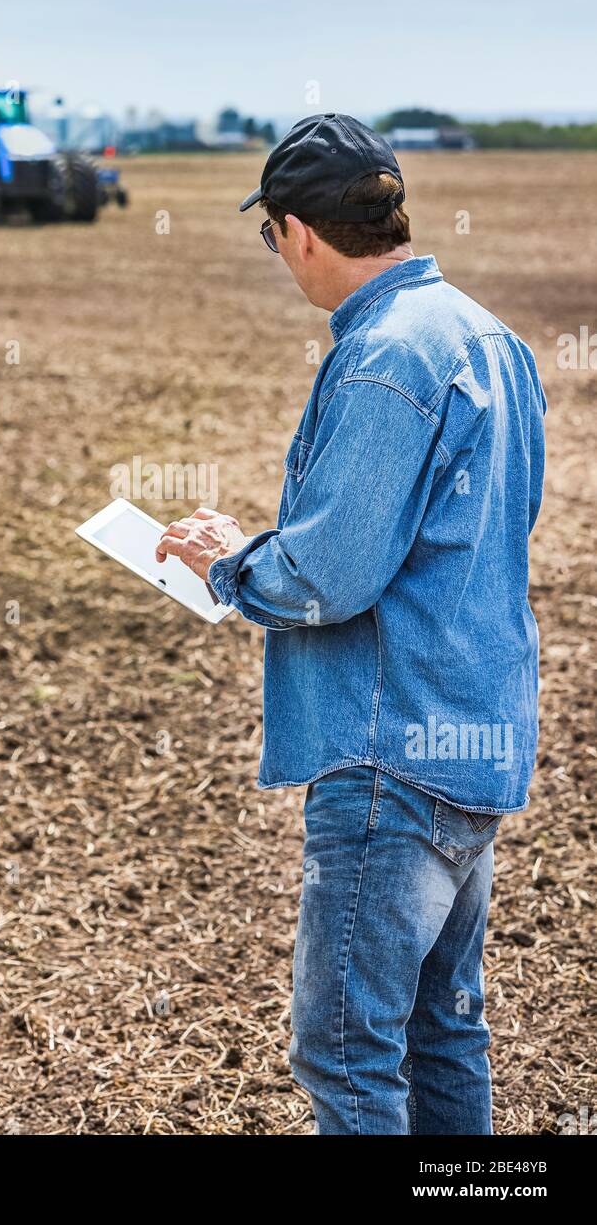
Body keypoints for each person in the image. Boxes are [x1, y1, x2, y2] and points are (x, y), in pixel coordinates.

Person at [155, 113, 546, 1135]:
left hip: (390, 756)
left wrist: (227, 561)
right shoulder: (487, 337)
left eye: (270, 236)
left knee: (344, 1052)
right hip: (473, 735)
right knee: (441, 1031)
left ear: (297, 231)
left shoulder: (384, 357)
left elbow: (328, 578)